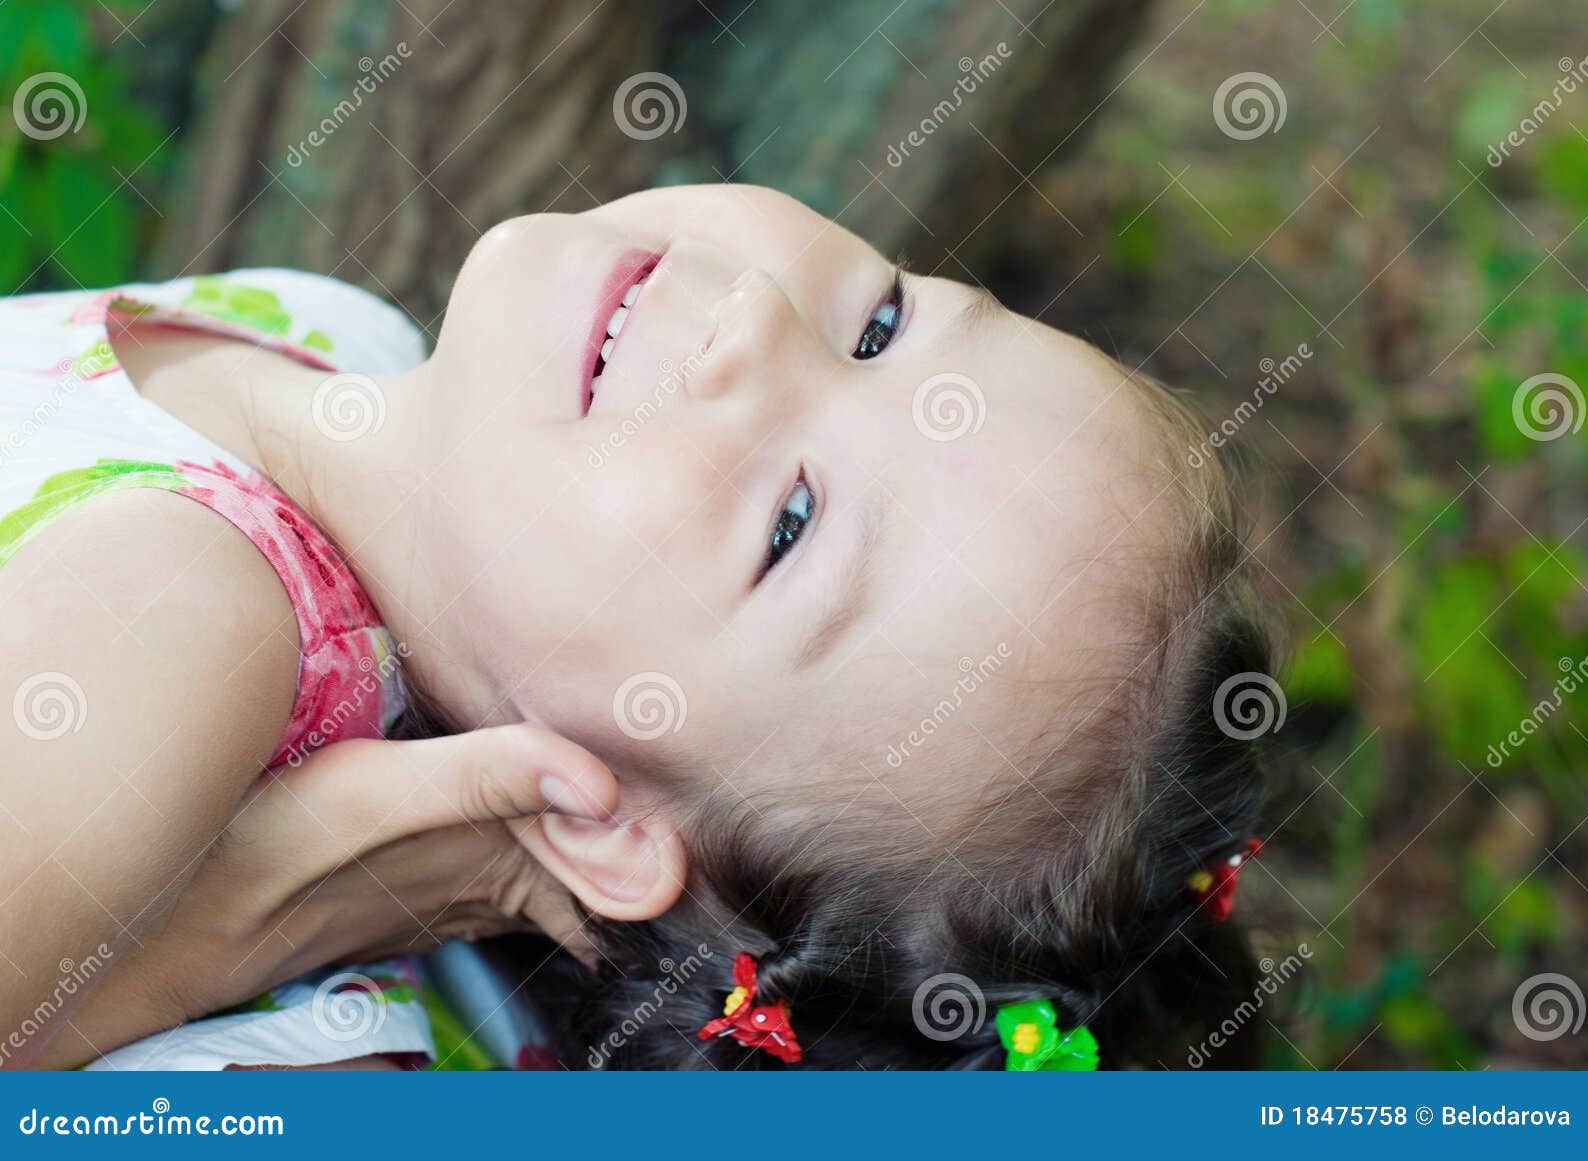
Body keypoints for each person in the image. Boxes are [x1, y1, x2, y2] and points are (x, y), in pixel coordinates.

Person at [0, 184, 1272, 1070]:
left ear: (597, 823)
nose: (760, 326)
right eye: (880, 326)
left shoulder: (183, 627)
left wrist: (163, 969)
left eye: (790, 525)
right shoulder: (353, 353)